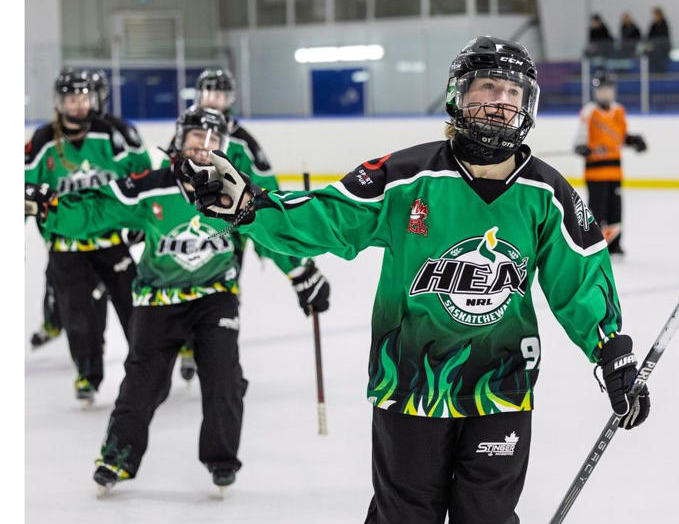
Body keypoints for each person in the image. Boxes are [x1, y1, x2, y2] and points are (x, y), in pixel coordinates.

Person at [183, 36, 650, 523]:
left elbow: (581, 277)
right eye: (488, 87)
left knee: (487, 517)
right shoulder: (406, 175)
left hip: (502, 387)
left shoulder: (547, 193)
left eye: (513, 92)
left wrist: (611, 350)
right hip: (409, 386)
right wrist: (250, 208)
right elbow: (329, 216)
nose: (501, 102)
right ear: (458, 95)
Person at [24, 105, 331, 491]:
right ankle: (117, 456)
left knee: (223, 375)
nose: (204, 145)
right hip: (157, 299)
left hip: (215, 295)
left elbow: (269, 232)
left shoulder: (234, 192)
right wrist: (50, 206)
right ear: (180, 139)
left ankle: (221, 459)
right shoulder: (149, 187)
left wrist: (300, 272)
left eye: (214, 139)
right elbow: (97, 209)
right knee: (144, 381)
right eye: (197, 136)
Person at [170, 68, 318, 382]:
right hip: (185, 230)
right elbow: (165, 186)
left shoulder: (243, 141)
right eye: (209, 93)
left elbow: (265, 197)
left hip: (228, 234)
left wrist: (294, 263)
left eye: (221, 95)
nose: (214, 101)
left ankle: (215, 353)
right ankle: (186, 344)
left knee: (223, 293)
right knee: (181, 284)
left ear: (231, 99)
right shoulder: (186, 132)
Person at [25, 68, 151, 403]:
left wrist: (144, 218)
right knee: (78, 316)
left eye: (83, 97)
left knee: (135, 305)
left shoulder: (112, 133)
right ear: (59, 102)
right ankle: (87, 373)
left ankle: (148, 366)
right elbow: (23, 188)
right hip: (65, 246)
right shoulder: (43, 140)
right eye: (71, 99)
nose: (78, 105)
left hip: (110, 241)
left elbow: (143, 175)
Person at [574, 71, 647, 256]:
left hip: (615, 172)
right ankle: (595, 244)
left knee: (616, 210)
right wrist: (582, 147)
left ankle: (614, 244)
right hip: (595, 173)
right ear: (596, 92)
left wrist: (634, 140)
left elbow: (621, 136)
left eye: (608, 89)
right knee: (597, 211)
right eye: (602, 90)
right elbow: (580, 140)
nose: (605, 93)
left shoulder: (618, 111)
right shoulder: (589, 111)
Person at [646, 6, 671, 73]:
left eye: (655, 15)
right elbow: (649, 37)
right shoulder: (653, 25)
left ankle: (660, 72)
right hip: (654, 50)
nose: (654, 17)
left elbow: (665, 37)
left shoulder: (664, 24)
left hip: (662, 50)